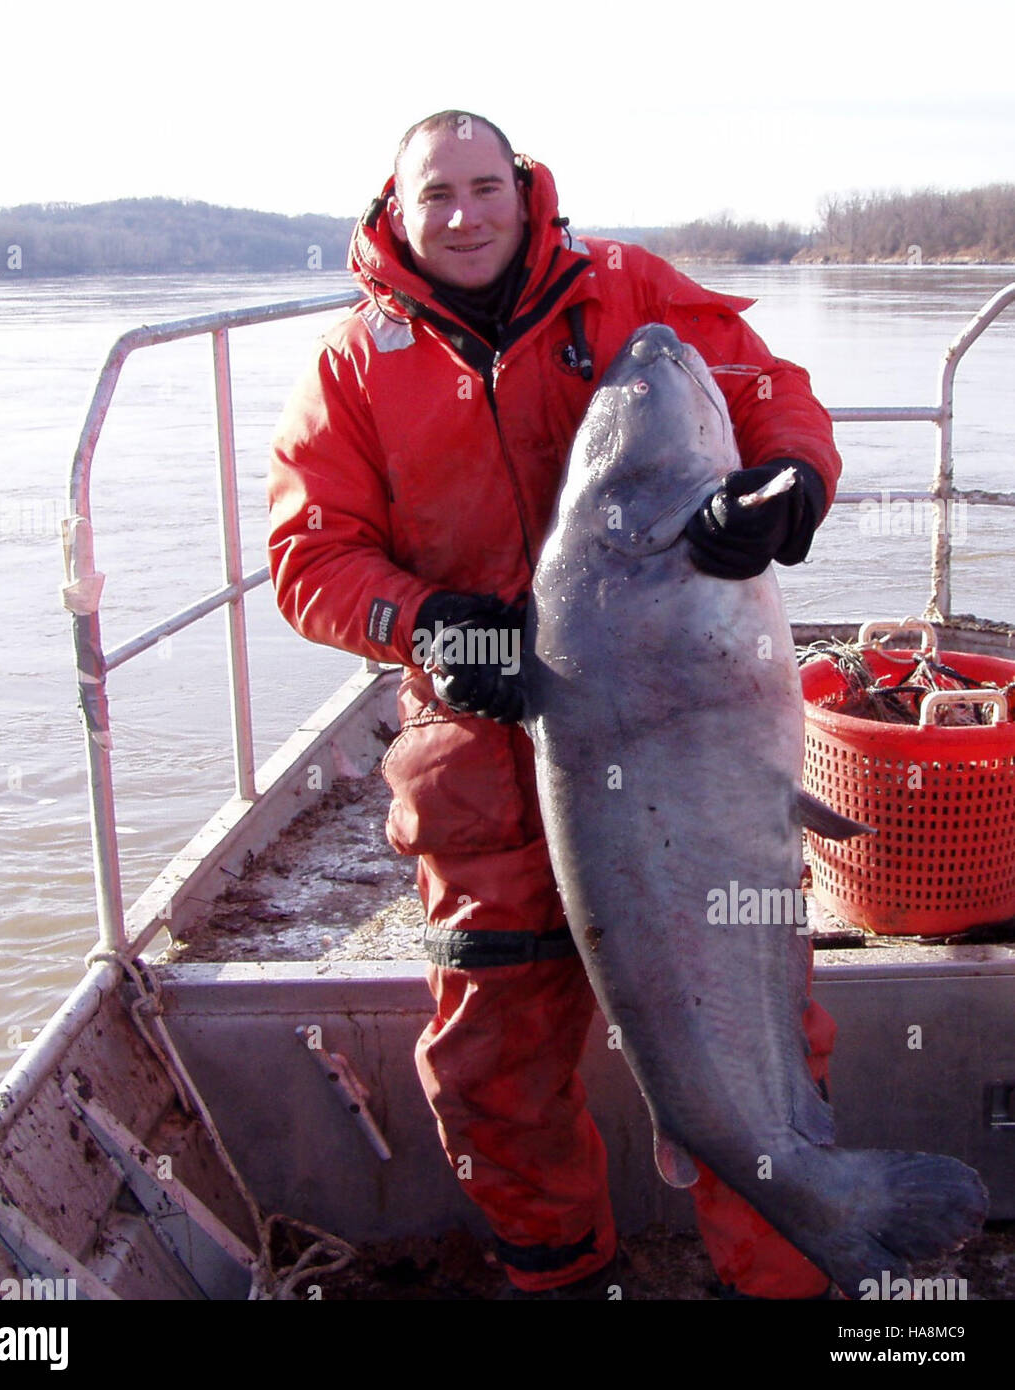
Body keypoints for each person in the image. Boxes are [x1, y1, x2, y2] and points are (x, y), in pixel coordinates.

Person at [268, 110, 842, 1299]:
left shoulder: (628, 294)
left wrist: (788, 484)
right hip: (478, 747)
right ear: (399, 205)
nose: (467, 215)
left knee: (748, 1024)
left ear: (527, 192)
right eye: (441, 196)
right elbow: (308, 557)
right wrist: (424, 622)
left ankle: (794, 1271)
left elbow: (768, 394)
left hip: (682, 727)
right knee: (492, 1066)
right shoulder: (350, 364)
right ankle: (567, 1281)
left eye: (487, 187)